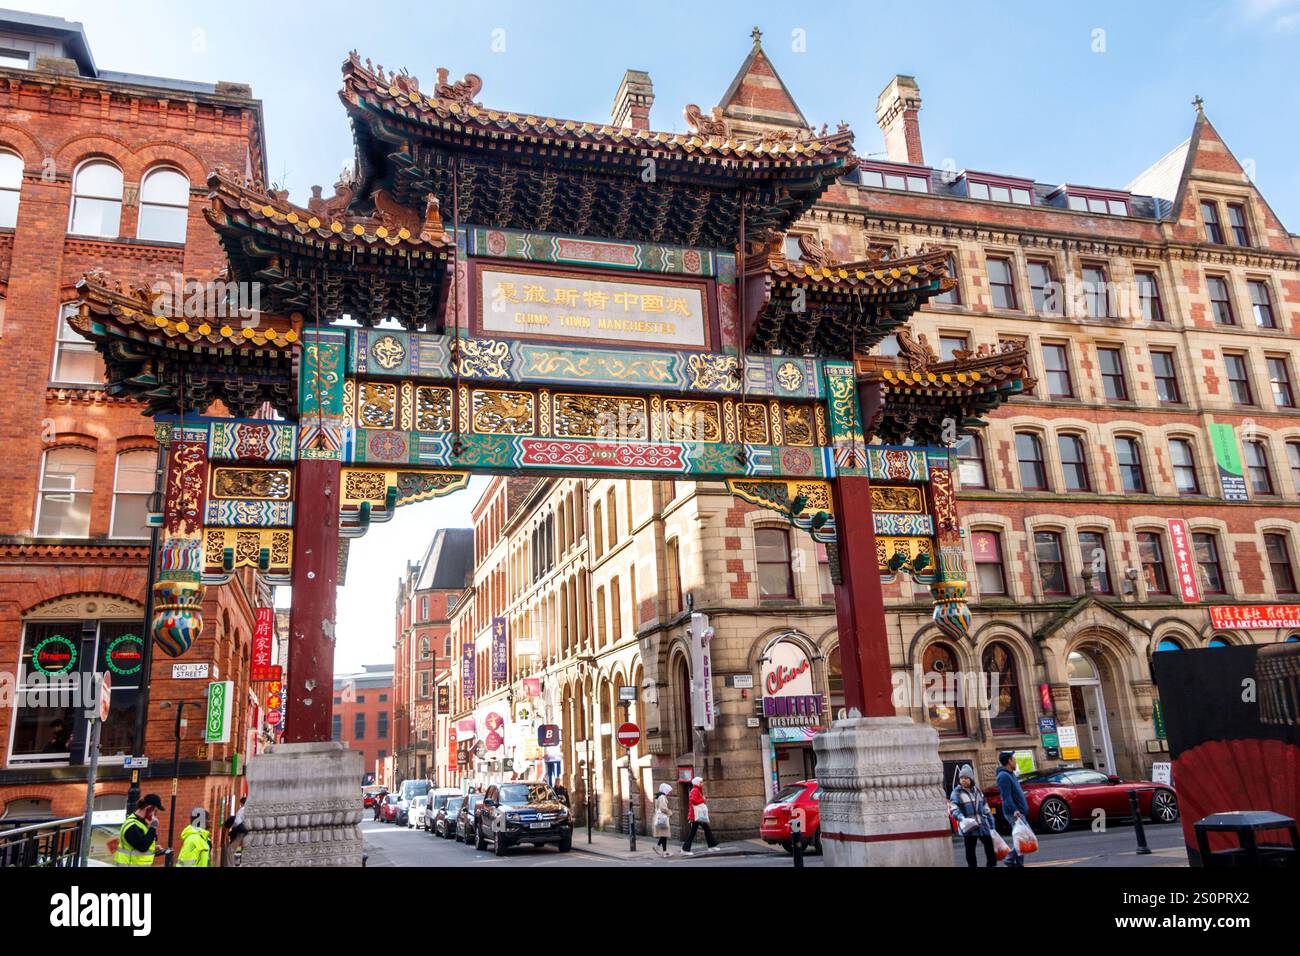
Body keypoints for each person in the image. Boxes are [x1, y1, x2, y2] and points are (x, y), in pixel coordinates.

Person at [949, 764, 996, 868]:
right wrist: (961, 818)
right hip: (968, 826)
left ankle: (991, 865)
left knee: (990, 848)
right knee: (970, 849)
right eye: (961, 778)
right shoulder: (956, 793)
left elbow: (985, 807)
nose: (963, 780)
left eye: (966, 778)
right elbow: (953, 807)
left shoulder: (977, 791)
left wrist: (992, 824)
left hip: (982, 824)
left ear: (971, 778)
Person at [996, 751, 1030, 867]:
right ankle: (1009, 859)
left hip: (1019, 812)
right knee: (1023, 838)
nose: (1015, 761)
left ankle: (1019, 863)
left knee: (1021, 838)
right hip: (1014, 813)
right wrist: (1015, 810)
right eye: (1014, 759)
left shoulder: (1011, 774)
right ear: (1009, 761)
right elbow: (1006, 797)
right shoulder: (1003, 776)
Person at [114, 794, 165, 866]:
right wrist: (153, 827)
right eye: (155, 811)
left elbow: (138, 846)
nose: (154, 815)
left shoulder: (140, 824)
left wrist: (153, 849)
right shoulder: (132, 826)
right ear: (150, 808)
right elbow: (143, 846)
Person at [680, 776, 719, 855]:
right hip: (696, 815)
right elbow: (693, 801)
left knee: (706, 829)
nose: (702, 784)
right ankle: (685, 850)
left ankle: (711, 846)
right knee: (694, 832)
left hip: (698, 815)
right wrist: (703, 799)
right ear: (698, 783)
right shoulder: (695, 790)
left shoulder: (697, 790)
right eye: (701, 782)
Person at [652, 783, 673, 857]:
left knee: (663, 835)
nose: (669, 792)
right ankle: (662, 850)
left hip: (659, 818)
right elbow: (663, 808)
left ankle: (661, 850)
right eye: (668, 791)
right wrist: (670, 813)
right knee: (664, 834)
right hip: (663, 818)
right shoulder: (662, 797)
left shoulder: (658, 796)